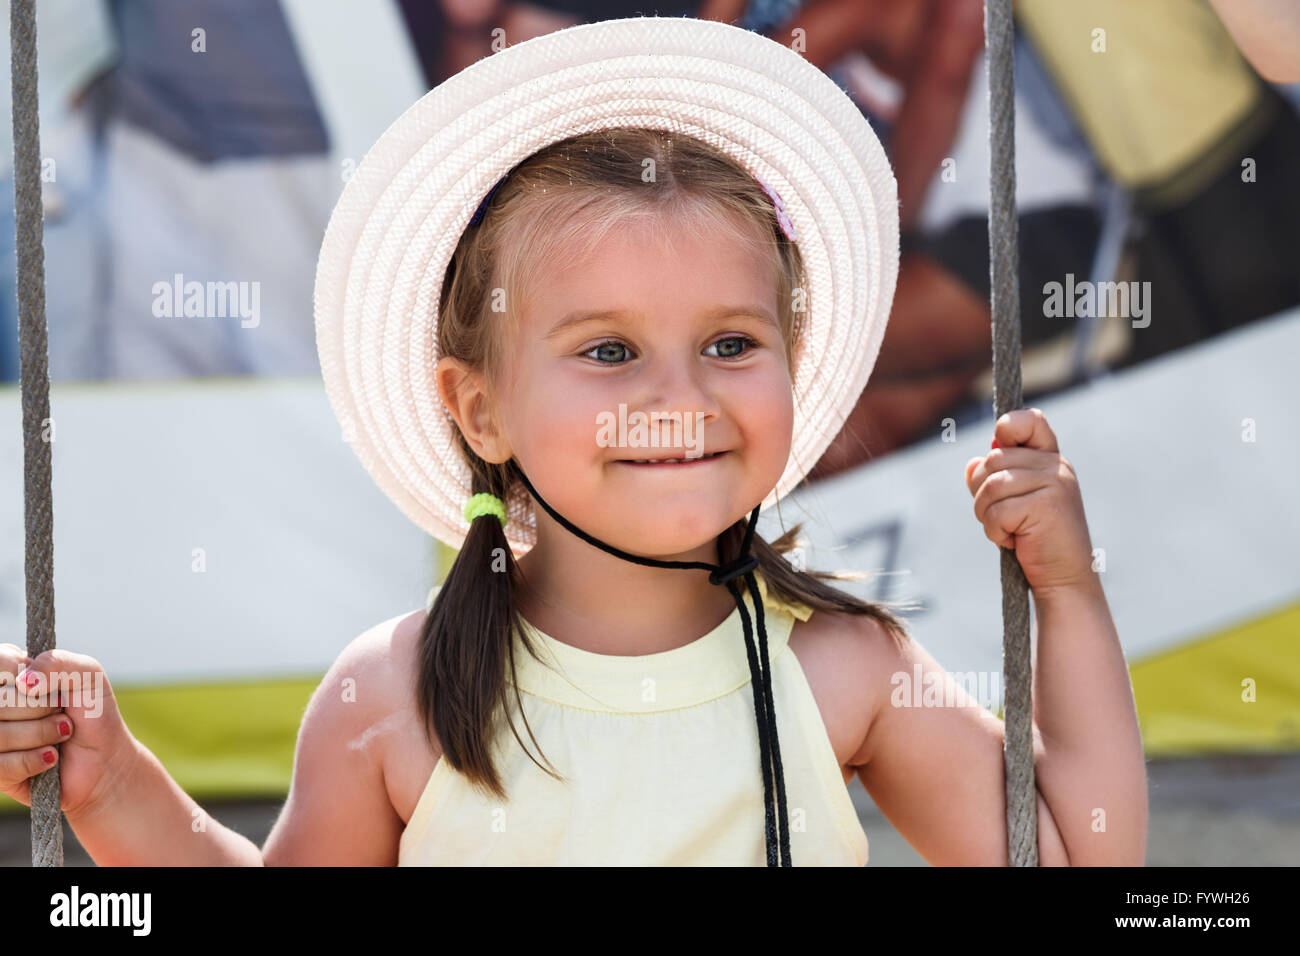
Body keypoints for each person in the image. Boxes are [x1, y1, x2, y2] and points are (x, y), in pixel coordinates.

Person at [0, 18, 1145, 866]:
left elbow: (1081, 861)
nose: (678, 394)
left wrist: (1069, 589)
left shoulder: (845, 667)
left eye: (733, 342)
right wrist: (118, 791)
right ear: (478, 407)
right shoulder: (389, 699)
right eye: (605, 351)